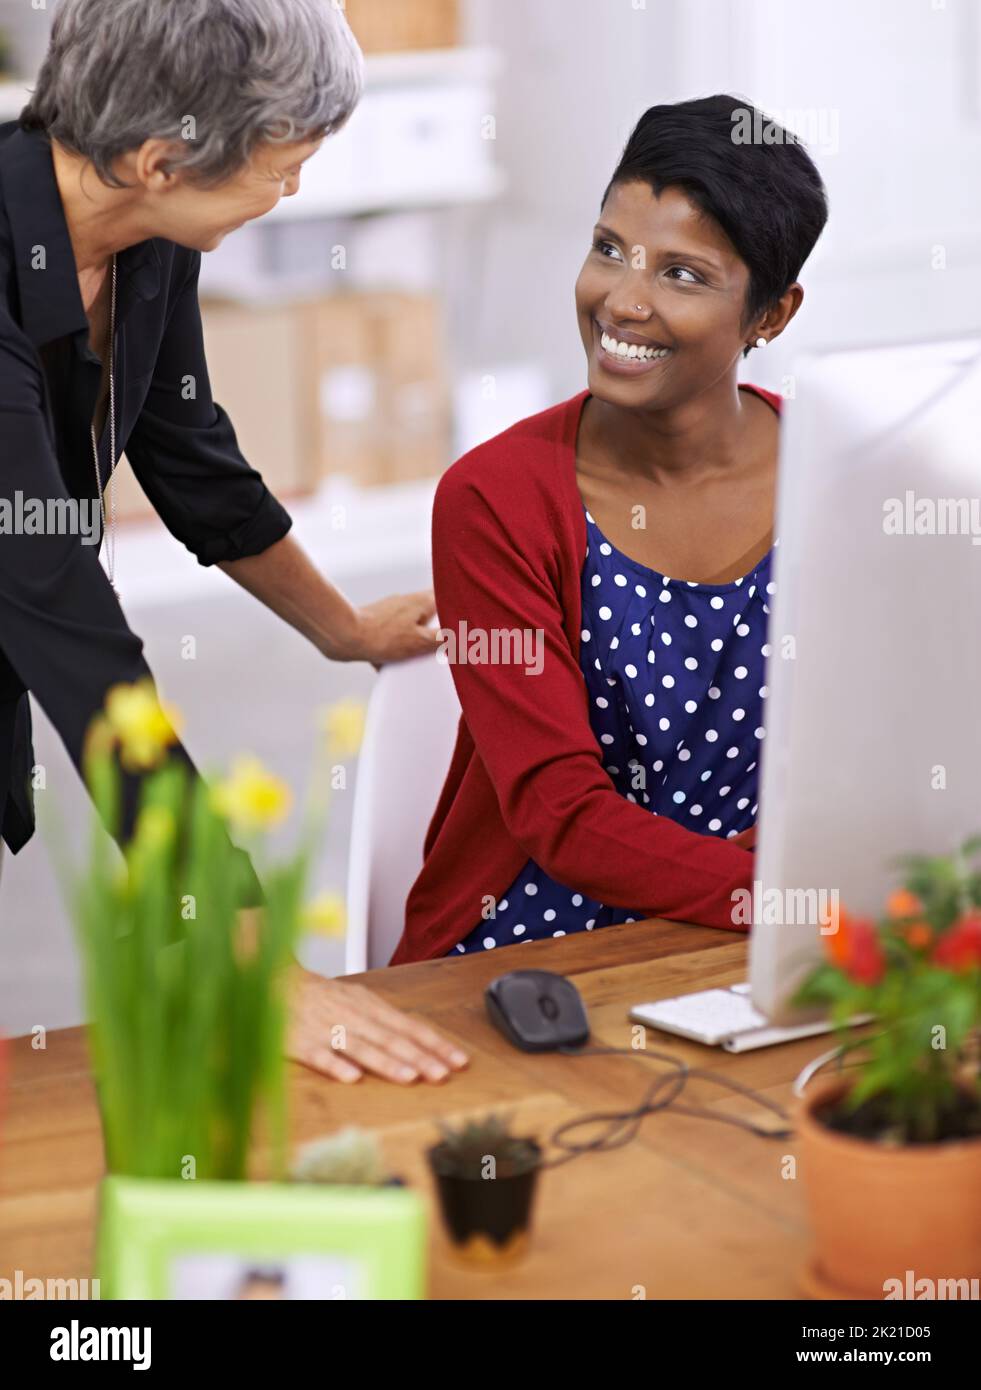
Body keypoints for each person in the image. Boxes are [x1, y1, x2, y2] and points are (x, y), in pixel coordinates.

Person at [0, 0, 466, 1083]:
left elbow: (189, 451)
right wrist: (244, 937)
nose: (294, 189)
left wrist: (340, 628)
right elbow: (68, 624)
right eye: (283, 166)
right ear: (161, 159)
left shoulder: (142, 235)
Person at [391, 95, 829, 963]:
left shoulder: (836, 473)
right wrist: (800, 906)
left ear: (772, 314)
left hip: (762, 937)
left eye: (682, 274)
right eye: (608, 251)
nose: (622, 302)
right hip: (541, 946)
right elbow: (561, 814)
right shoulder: (493, 498)